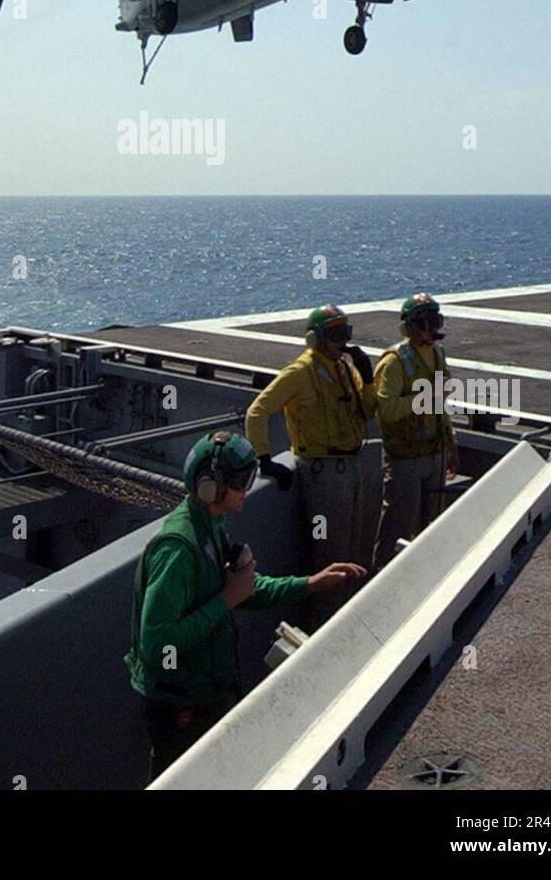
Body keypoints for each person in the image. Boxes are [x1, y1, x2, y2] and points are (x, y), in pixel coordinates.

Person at [126, 430, 365, 781]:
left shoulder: (209, 526)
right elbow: (158, 641)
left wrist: (309, 584)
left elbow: (244, 589)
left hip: (205, 692)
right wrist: (226, 601)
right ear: (211, 488)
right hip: (180, 705)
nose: (247, 489)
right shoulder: (177, 549)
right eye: (240, 482)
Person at [245, 305, 377, 577]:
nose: (343, 341)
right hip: (323, 474)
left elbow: (366, 412)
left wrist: (367, 379)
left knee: (354, 549)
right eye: (335, 334)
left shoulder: (343, 369)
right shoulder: (300, 372)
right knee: (330, 556)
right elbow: (256, 411)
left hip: (351, 466)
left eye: (345, 333)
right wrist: (264, 459)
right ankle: (326, 613)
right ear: (315, 339)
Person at [372, 292, 459, 569]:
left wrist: (451, 444)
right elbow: (387, 410)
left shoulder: (436, 354)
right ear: (409, 327)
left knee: (431, 522)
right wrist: (426, 396)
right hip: (405, 458)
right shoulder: (395, 362)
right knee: (398, 523)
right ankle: (380, 574)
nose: (431, 330)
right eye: (424, 323)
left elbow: (439, 406)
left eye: (434, 321)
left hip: (435, 452)